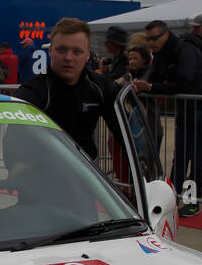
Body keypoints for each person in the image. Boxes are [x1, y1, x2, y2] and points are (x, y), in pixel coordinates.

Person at [137, 19, 202, 216]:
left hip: (201, 107)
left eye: (154, 38)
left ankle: (192, 202)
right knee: (180, 155)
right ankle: (172, 197)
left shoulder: (185, 49)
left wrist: (152, 87)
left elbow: (184, 81)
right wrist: (145, 84)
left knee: (196, 155)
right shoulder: (160, 54)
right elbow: (155, 77)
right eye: (148, 39)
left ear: (165, 35)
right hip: (185, 108)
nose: (151, 43)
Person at [13, 17, 123, 161]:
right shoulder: (33, 91)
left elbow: (123, 132)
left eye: (77, 51)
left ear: (87, 55)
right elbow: (13, 138)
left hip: (86, 169)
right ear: (50, 51)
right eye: (61, 50)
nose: (68, 58)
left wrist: (140, 176)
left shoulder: (100, 87)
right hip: (42, 169)